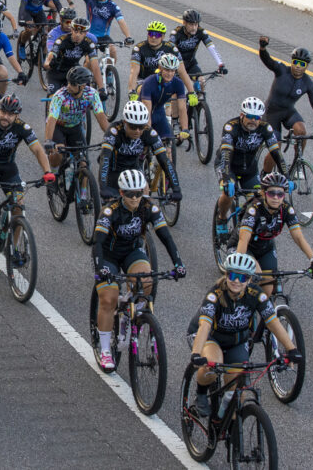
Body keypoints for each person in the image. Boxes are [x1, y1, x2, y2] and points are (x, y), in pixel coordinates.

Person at [188, 252, 301, 419]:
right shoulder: (215, 295)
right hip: (209, 338)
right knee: (213, 364)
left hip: (236, 341)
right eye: (232, 275)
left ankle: (230, 427)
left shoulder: (256, 295)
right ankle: (201, 393)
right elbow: (205, 326)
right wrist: (196, 354)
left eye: (242, 277)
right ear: (226, 275)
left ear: (249, 280)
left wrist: (291, 350)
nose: (236, 281)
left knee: (237, 393)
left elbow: (272, 322)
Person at [92, 169, 186, 369]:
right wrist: (101, 268)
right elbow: (97, 242)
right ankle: (106, 349)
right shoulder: (111, 210)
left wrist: (178, 263)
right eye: (129, 194)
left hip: (132, 252)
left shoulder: (149, 208)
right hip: (109, 255)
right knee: (108, 298)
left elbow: (166, 237)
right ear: (121, 192)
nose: (134, 198)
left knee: (147, 282)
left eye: (138, 193)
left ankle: (129, 313)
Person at [0, 94, 55, 234]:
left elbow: (38, 150)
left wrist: (48, 171)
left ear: (17, 115)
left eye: (10, 114)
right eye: (3, 112)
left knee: (19, 207)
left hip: (8, 165)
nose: (6, 116)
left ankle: (16, 251)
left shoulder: (23, 127)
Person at [233, 172, 313, 294]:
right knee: (257, 278)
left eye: (280, 194)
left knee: (268, 290)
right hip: (244, 247)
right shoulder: (254, 210)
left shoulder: (286, 208)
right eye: (272, 193)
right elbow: (244, 240)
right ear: (264, 193)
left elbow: (298, 237)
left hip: (265, 247)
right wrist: (239, 266)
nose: (276, 197)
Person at [214, 97, 287, 244]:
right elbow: (226, 154)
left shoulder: (265, 128)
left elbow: (276, 154)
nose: (253, 120)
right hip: (228, 166)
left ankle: (245, 222)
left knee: (258, 200)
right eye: (250, 116)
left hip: (250, 170)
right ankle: (221, 218)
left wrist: (287, 176)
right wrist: (226, 178)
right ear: (242, 115)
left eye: (257, 117)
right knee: (228, 192)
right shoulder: (231, 127)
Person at [257, 37, 313, 173]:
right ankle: (266, 175)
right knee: (276, 148)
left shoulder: (308, 83)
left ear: (307, 66)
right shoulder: (282, 70)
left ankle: (297, 163)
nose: (298, 66)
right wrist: (263, 48)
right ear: (292, 62)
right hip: (271, 114)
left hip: (288, 112)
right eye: (296, 62)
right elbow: (268, 61)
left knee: (301, 131)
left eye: (302, 64)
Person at [99, 100, 180, 201]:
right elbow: (104, 158)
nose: (137, 131)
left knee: (146, 199)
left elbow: (164, 160)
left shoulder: (149, 132)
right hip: (113, 172)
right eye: (133, 127)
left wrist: (176, 189)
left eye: (141, 127)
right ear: (125, 123)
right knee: (111, 206)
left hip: (134, 168)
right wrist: (103, 187)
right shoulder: (114, 131)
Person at [43, 65, 109, 170]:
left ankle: (83, 186)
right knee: (57, 158)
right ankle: (53, 182)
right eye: (68, 82)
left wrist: (110, 135)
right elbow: (51, 119)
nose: (69, 86)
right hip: (58, 127)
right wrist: (48, 141)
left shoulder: (92, 94)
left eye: (73, 84)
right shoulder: (59, 96)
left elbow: (101, 117)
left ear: (83, 86)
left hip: (75, 127)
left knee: (84, 164)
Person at [64, 0, 131, 60]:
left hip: (104, 37)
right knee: (89, 61)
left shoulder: (113, 7)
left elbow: (121, 21)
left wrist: (128, 37)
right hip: (89, 35)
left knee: (113, 50)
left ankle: (110, 71)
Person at [43, 15, 104, 96]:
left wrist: (101, 88)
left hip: (73, 73)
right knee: (53, 97)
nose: (78, 35)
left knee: (82, 96)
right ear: (71, 30)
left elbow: (95, 67)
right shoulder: (61, 40)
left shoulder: (89, 43)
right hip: (56, 72)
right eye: (76, 31)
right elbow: (49, 59)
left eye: (81, 32)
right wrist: (49, 65)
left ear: (86, 33)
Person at [139, 52, 189, 148]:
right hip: (143, 113)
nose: (170, 73)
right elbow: (147, 109)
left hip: (159, 113)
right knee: (144, 147)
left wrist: (185, 129)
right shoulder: (149, 82)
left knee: (168, 146)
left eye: (172, 70)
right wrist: (149, 130)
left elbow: (182, 108)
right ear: (160, 68)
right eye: (167, 70)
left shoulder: (178, 83)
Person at [169, 9, 226, 78]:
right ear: (184, 23)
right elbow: (170, 49)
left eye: (196, 24)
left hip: (191, 63)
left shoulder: (201, 32)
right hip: (177, 64)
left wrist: (220, 64)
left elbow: (211, 47)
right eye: (191, 24)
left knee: (201, 81)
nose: (194, 28)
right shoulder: (176, 33)